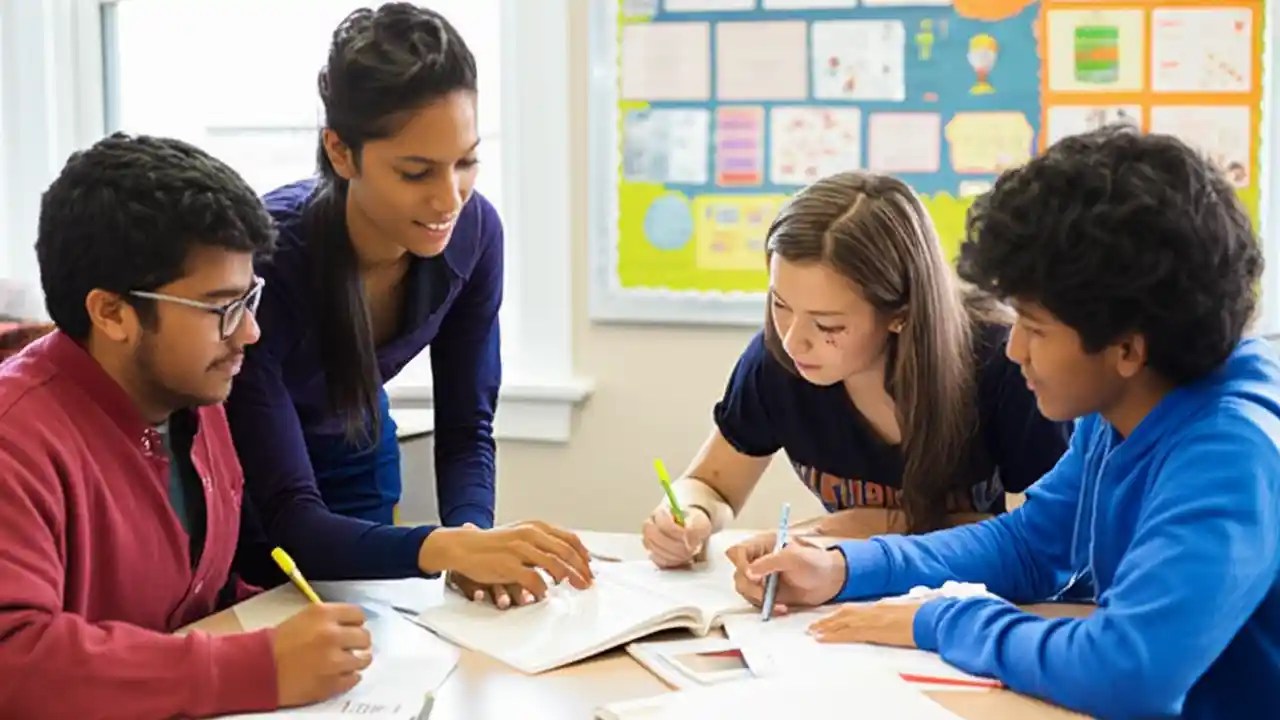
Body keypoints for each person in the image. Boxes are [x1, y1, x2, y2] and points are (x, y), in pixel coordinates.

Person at [727, 127, 1279, 719]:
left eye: (1035, 329)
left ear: (1126, 346)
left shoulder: (1230, 450)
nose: (1013, 350)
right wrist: (842, 567)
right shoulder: (1125, 401)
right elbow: (1030, 545)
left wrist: (942, 619)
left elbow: (1126, 671)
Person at [225, 3, 592, 608]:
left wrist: (475, 539)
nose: (450, 198)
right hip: (254, 491)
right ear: (341, 152)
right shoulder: (270, 259)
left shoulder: (475, 234)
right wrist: (445, 548)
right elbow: (292, 521)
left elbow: (466, 425)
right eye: (417, 171)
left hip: (359, 449)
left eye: (467, 161)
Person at [0, 133, 377, 717]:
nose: (249, 332)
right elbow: (15, 661)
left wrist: (290, 634)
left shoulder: (194, 396)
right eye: (222, 308)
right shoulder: (15, 438)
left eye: (250, 298)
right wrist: (258, 667)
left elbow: (198, 599)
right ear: (112, 313)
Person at [642, 170, 1070, 568]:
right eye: (780, 305)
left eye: (828, 325)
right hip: (843, 587)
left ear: (900, 313)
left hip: (971, 592)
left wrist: (874, 528)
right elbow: (712, 485)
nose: (793, 340)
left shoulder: (1001, 362)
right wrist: (688, 514)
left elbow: (1057, 531)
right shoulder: (777, 359)